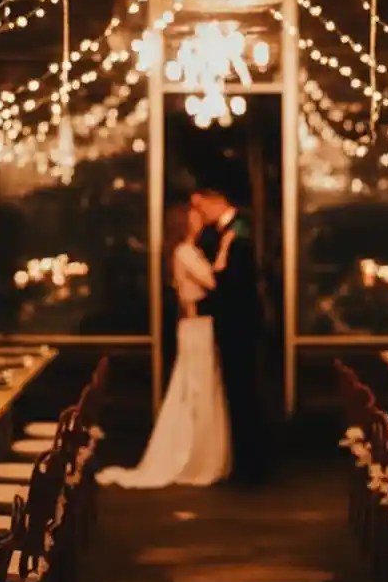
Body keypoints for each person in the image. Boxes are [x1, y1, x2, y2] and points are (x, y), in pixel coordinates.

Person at [97, 203, 234, 488]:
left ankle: (201, 453)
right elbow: (211, 280)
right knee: (196, 388)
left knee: (197, 387)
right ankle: (193, 456)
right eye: (194, 216)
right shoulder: (184, 252)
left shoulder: (188, 251)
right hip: (195, 326)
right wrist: (225, 250)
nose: (199, 218)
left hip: (196, 325)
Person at [192, 188, 267, 484]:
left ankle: (250, 465)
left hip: (239, 326)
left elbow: (234, 285)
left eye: (201, 207)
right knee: (237, 391)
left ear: (216, 201)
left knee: (242, 391)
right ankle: (245, 460)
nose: (200, 215)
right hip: (235, 326)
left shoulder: (239, 233)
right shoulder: (226, 233)